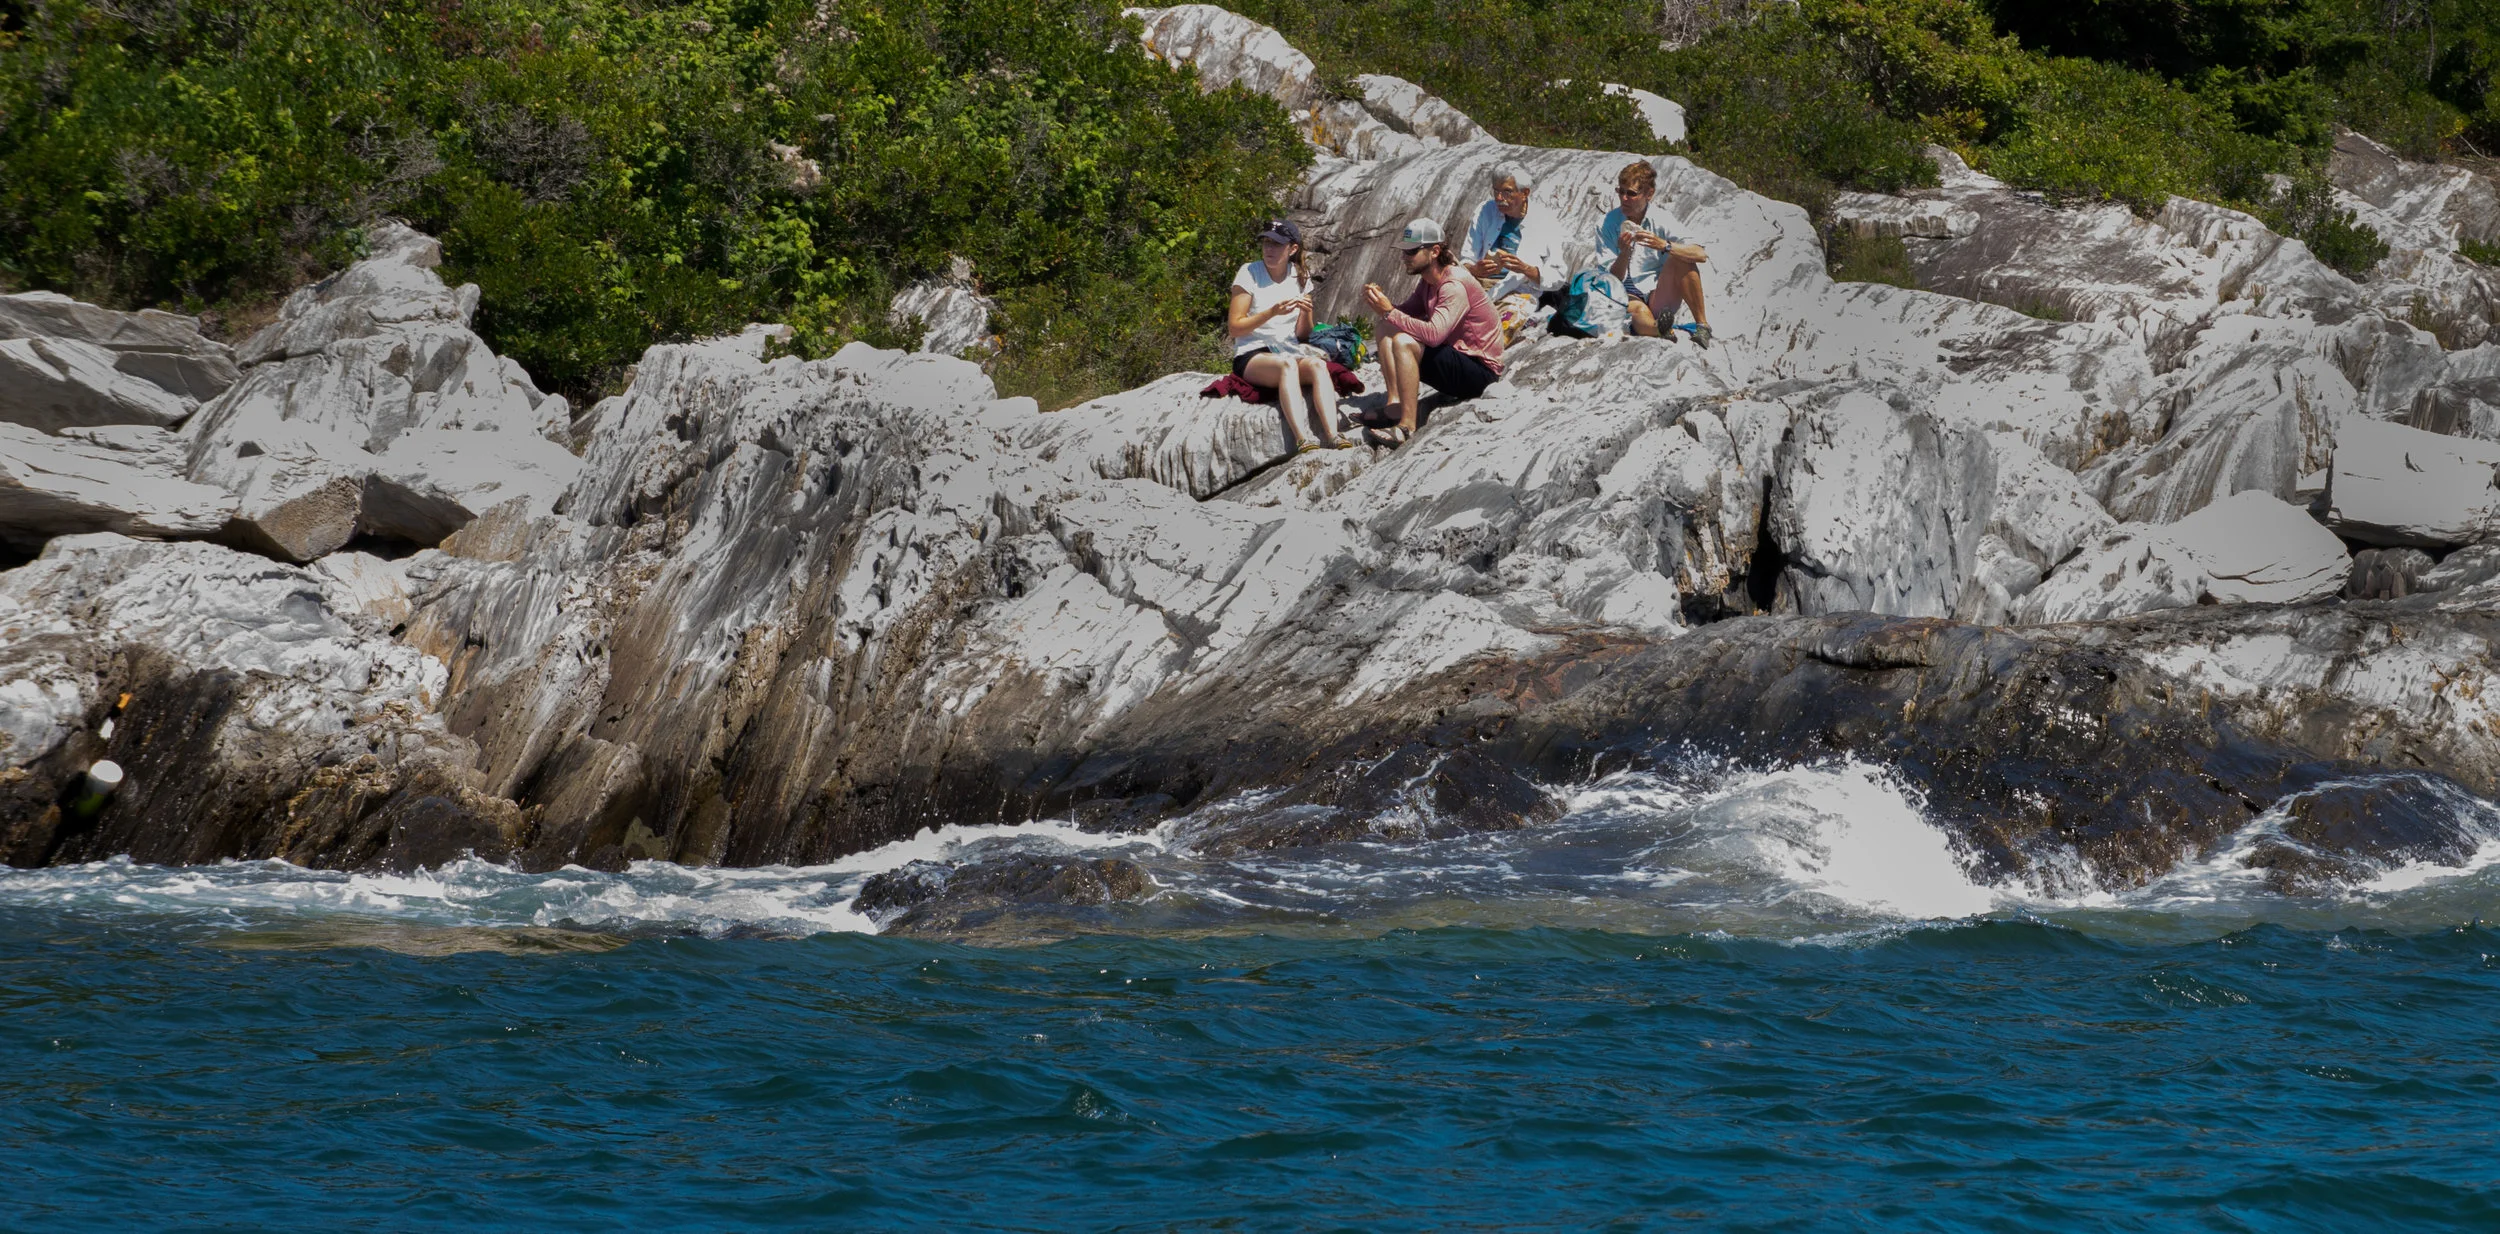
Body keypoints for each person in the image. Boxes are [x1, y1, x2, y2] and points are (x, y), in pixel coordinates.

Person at [1361, 218, 1505, 446]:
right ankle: (1395, 406)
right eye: (1404, 251)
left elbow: (1434, 335)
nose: (1404, 257)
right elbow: (1405, 312)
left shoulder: (1453, 285)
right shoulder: (1428, 282)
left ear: (1434, 251)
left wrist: (1389, 311)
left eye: (1411, 251)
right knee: (1386, 327)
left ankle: (1406, 427)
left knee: (1403, 341)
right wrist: (1381, 304)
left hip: (1481, 372)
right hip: (1457, 359)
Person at [1227, 219, 1354, 452]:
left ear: (1292, 249)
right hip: (1253, 354)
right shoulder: (1249, 272)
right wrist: (1271, 312)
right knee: (1287, 364)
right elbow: (1235, 327)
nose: (1269, 249)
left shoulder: (1299, 275)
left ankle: (1333, 435)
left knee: (1317, 365)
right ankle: (1302, 438)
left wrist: (1306, 312)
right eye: (1266, 242)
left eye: (1276, 244)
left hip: (1288, 350)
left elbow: (1303, 334)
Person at [1593, 160, 1713, 347]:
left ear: (1649, 194)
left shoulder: (1662, 219)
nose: (1624, 198)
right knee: (1638, 309)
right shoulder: (1606, 223)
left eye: (1631, 193)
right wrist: (1624, 253)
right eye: (1620, 191)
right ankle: (1660, 329)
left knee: (1681, 258)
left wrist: (1664, 245)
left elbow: (1700, 254)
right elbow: (1612, 279)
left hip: (1657, 293)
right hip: (1625, 295)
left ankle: (1702, 326)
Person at [1457, 164, 1565, 343]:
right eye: (1496, 191)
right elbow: (1467, 257)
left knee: (1495, 335)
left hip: (1518, 292)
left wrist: (1525, 269)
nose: (1499, 198)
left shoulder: (1546, 221)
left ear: (1525, 193)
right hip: (1479, 285)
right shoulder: (1485, 210)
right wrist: (1474, 269)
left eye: (1507, 192)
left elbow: (1558, 277)